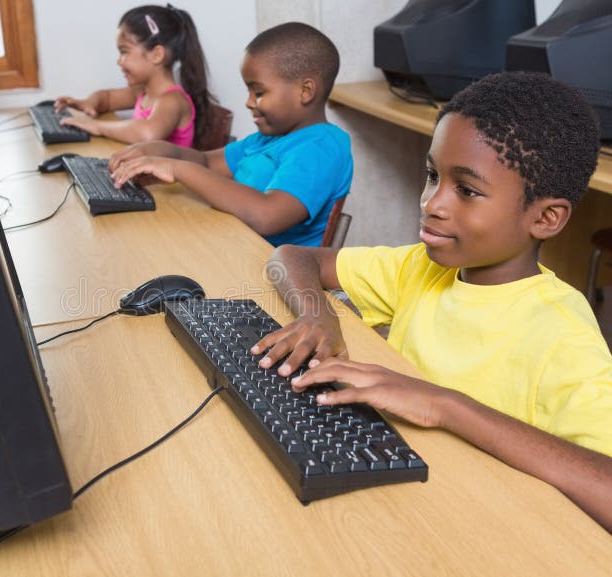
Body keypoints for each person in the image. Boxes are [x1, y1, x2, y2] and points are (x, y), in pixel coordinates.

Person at [252, 71, 612, 532]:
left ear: (545, 218)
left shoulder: (562, 333)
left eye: (467, 190)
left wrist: (445, 405)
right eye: (432, 175)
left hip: (469, 528)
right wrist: (318, 315)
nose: (432, 203)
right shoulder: (421, 266)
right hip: (397, 497)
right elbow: (291, 257)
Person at [108, 22, 353, 247]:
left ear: (306, 91)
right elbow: (206, 162)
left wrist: (178, 169)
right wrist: (161, 150)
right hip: (232, 247)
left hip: (268, 274)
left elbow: (266, 215)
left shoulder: (320, 147)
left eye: (258, 92)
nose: (248, 102)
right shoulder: (268, 138)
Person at [54, 4, 213, 148]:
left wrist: (96, 126)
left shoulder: (173, 100)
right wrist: (88, 102)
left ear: (156, 54)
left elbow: (148, 133)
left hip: (169, 181)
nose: (119, 61)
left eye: (124, 52)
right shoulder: (143, 92)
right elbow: (107, 98)